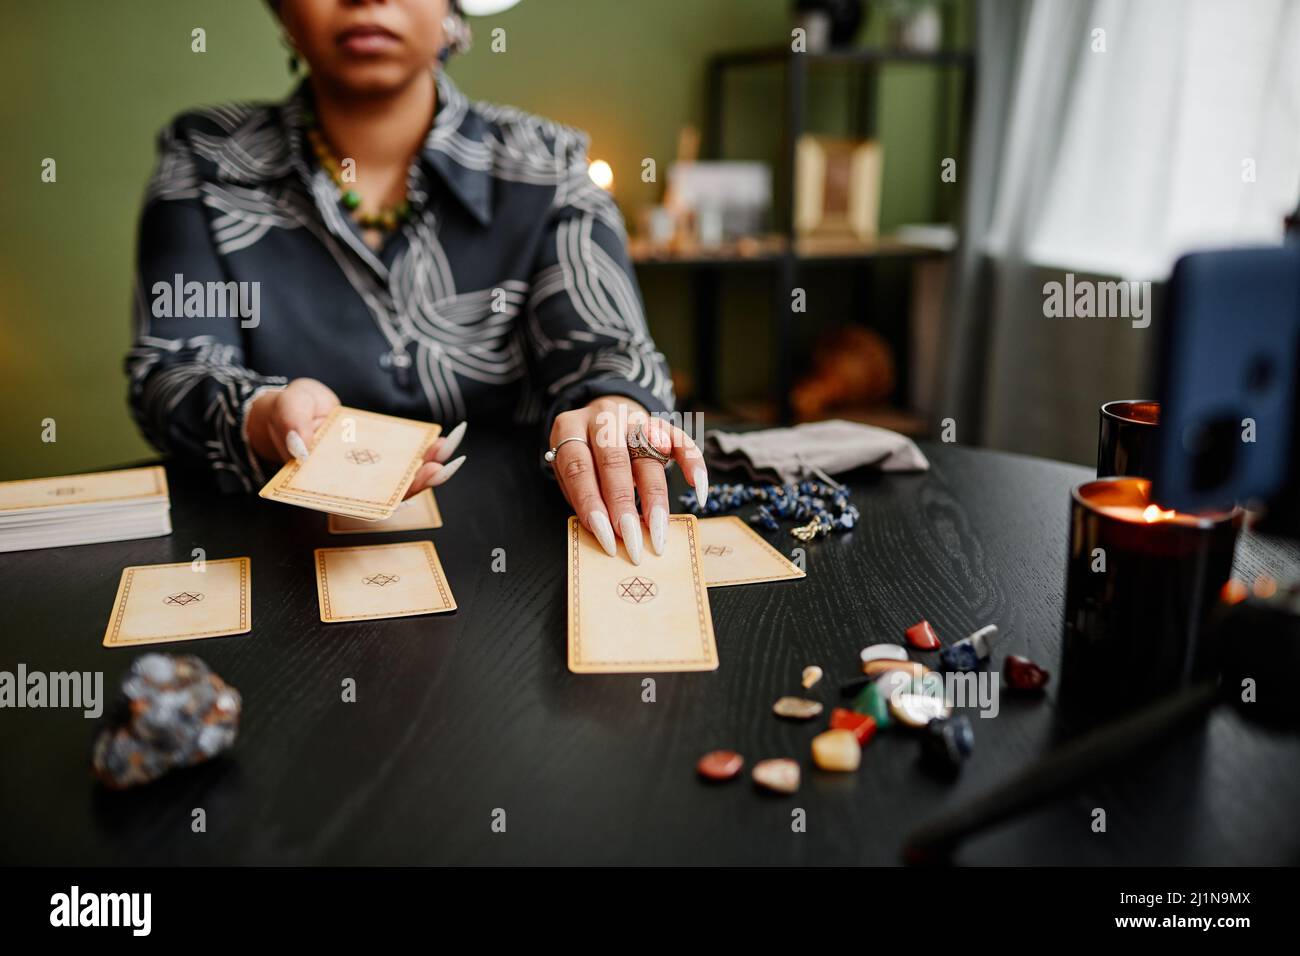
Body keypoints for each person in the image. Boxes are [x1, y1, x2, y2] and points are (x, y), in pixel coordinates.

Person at [126, 0, 708, 562]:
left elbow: (606, 350)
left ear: (453, 10)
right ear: (282, 11)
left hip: (514, 569)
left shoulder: (549, 165)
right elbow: (172, 369)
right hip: (275, 558)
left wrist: (612, 405)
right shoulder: (207, 159)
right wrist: (260, 415)